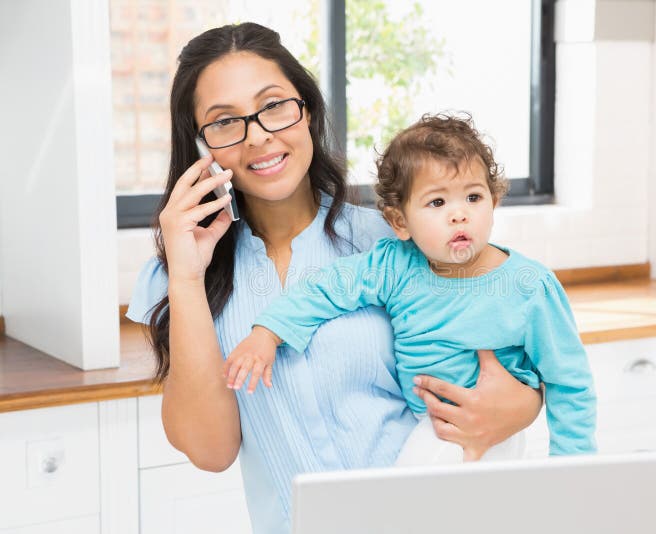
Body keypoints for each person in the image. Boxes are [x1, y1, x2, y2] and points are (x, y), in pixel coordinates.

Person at [126, 22, 543, 533]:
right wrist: (187, 280)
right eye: (224, 122)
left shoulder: (394, 243)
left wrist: (525, 402)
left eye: (274, 105)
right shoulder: (178, 276)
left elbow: (502, 354)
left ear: (307, 109)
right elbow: (210, 451)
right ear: (199, 145)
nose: (258, 135)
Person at [224, 114, 597, 464]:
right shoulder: (394, 265)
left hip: (492, 434)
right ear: (400, 222)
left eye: (473, 197)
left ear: (494, 202)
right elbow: (327, 289)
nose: (459, 213)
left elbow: (569, 382)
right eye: (437, 201)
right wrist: (268, 332)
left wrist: (572, 467)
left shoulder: (529, 286)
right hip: (429, 428)